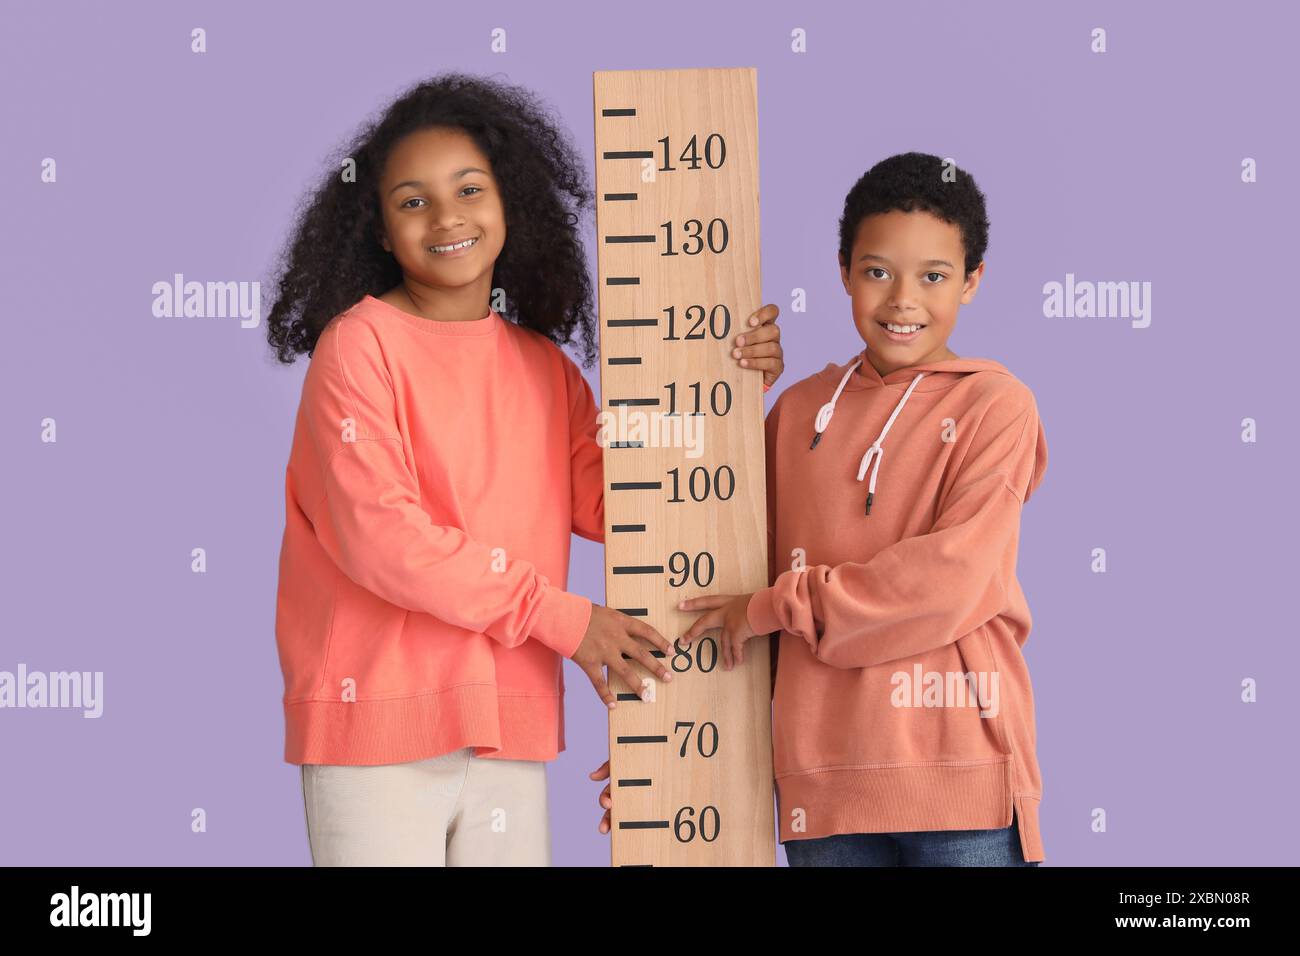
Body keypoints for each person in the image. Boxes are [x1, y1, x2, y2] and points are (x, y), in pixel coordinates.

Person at [267, 72, 785, 866]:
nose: (447, 217)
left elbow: (633, 506)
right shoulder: (358, 346)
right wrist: (569, 623)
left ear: (509, 201)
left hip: (509, 727)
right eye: (413, 201)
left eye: (469, 189)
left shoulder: (545, 370)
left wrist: (725, 381)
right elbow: (383, 540)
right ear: (377, 229)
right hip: (372, 723)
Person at [592, 151, 1048, 866]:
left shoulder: (996, 406)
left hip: (960, 784)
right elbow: (716, 582)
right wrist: (659, 758)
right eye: (877, 271)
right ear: (843, 272)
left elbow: (948, 581)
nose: (903, 299)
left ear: (973, 281)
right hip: (818, 793)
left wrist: (778, 606)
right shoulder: (797, 411)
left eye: (934, 276)